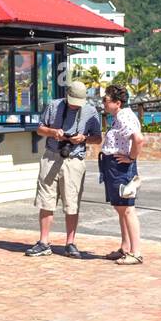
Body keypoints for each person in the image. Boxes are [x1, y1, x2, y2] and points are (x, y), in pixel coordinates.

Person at [27, 80, 102, 257]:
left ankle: (70, 243)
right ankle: (44, 242)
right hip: (51, 155)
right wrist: (54, 132)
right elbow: (39, 129)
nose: (75, 106)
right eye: (73, 102)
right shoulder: (53, 105)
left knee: (72, 203)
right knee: (46, 200)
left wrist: (83, 138)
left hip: (74, 160)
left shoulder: (91, 111)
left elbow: (97, 138)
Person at [100, 83, 145, 265]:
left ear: (117, 102)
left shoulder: (124, 116)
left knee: (127, 209)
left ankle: (136, 252)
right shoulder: (120, 116)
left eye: (106, 100)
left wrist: (132, 157)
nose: (103, 103)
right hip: (113, 166)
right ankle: (126, 247)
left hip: (121, 168)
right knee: (120, 208)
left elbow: (138, 139)